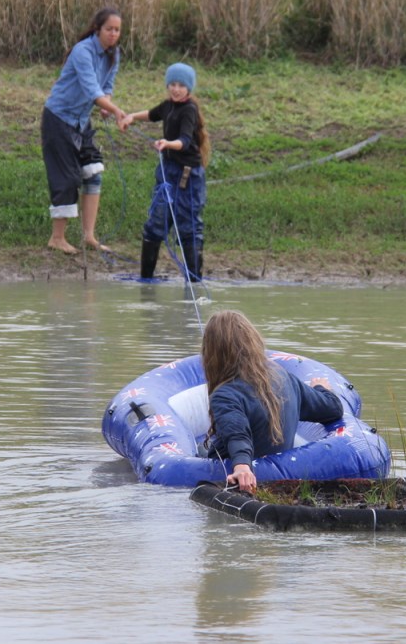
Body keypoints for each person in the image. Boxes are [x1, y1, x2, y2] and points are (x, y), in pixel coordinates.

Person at [200, 310, 343, 494]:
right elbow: (332, 408)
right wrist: (322, 388)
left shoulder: (225, 394)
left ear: (211, 353)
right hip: (278, 469)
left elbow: (237, 434)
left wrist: (242, 467)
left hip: (236, 470)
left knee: (200, 449)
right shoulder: (283, 377)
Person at [41, 8, 129, 255]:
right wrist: (115, 110)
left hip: (80, 121)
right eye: (109, 29)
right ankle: (56, 238)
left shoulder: (115, 53)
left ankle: (89, 236)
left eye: (117, 30)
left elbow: (105, 87)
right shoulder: (83, 51)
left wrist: (106, 105)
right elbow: (92, 89)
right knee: (67, 178)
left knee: (94, 173)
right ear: (97, 29)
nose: (113, 34)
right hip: (58, 119)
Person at [119, 62, 210, 281]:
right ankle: (146, 279)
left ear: (189, 88)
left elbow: (185, 141)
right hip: (167, 172)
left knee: (188, 227)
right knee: (156, 223)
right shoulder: (168, 106)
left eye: (181, 85)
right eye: (172, 84)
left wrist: (168, 144)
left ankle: (194, 283)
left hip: (188, 176)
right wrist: (131, 117)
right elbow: (152, 114)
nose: (176, 89)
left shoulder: (189, 110)